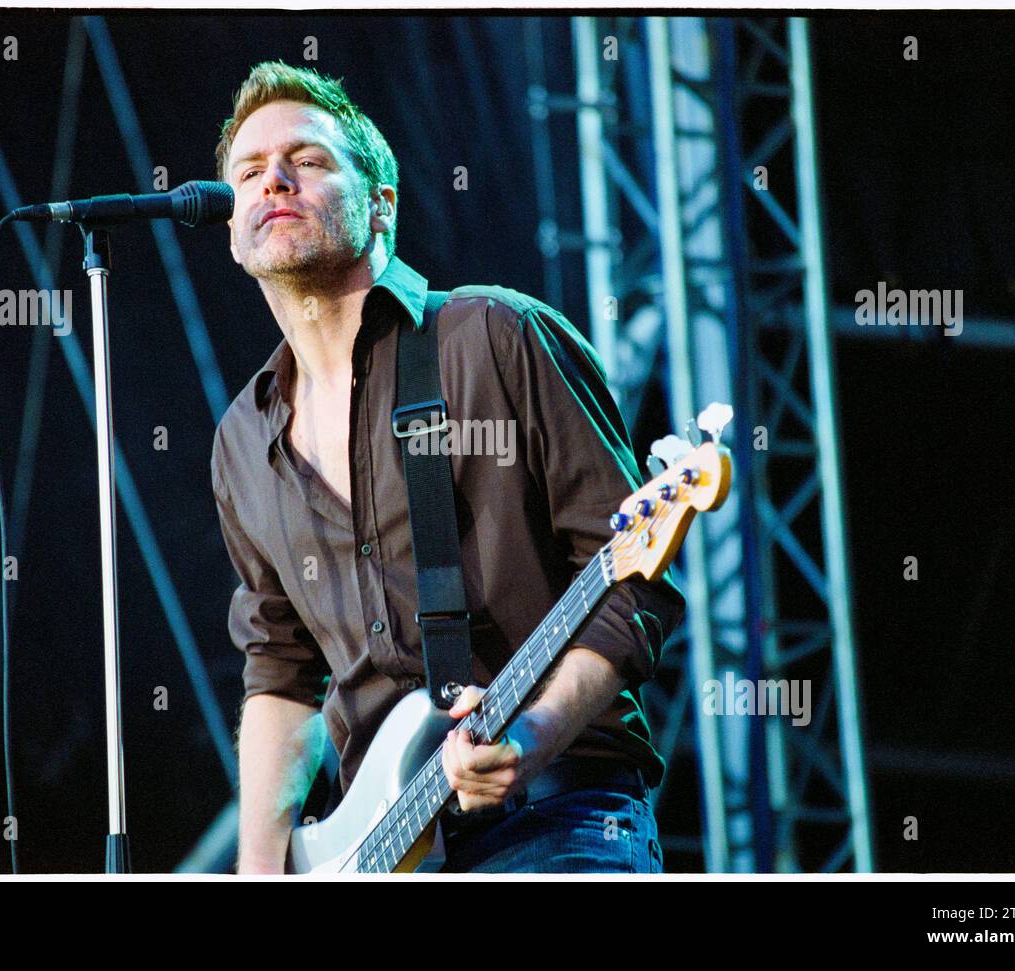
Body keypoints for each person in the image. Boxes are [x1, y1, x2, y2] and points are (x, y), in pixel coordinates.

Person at [210, 61, 684, 874]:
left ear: (382, 202)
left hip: (558, 818)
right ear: (231, 230)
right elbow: (281, 675)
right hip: (382, 851)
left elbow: (631, 586)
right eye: (249, 172)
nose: (275, 180)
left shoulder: (497, 337)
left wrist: (526, 741)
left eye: (310, 160)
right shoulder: (243, 439)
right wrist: (259, 870)